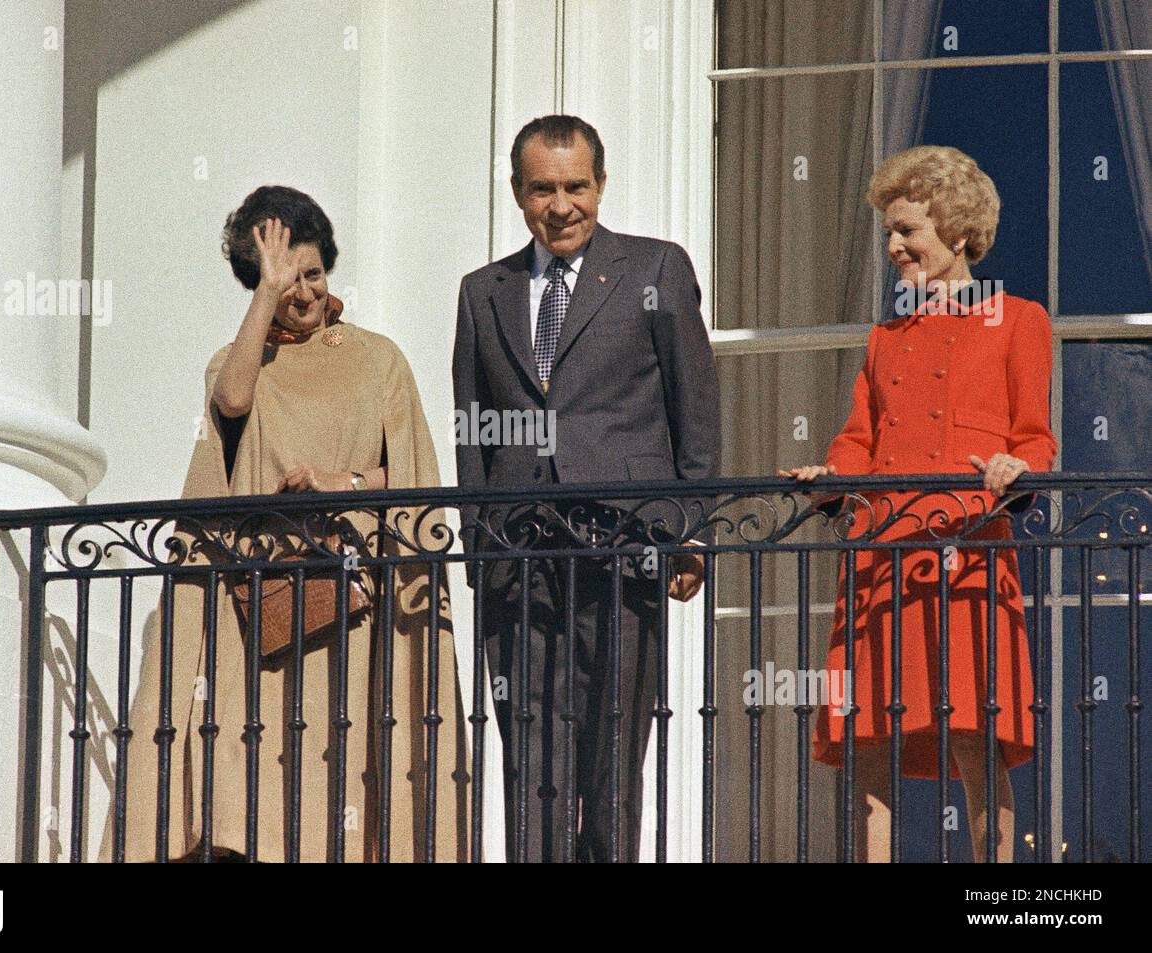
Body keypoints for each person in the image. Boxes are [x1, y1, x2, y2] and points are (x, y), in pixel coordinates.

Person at [103, 185, 467, 862]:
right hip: (266, 605)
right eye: (282, 279)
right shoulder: (239, 359)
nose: (302, 292)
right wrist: (264, 297)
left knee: (351, 768)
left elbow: (415, 476)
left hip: (362, 601)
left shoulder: (377, 357)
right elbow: (233, 399)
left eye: (312, 273)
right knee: (261, 784)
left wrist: (346, 481)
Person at [452, 115, 721, 862]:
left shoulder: (655, 269)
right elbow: (473, 431)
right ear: (518, 192)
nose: (562, 204)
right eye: (544, 189)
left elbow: (694, 408)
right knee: (529, 768)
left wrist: (691, 528)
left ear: (600, 186)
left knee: (611, 766)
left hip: (626, 548)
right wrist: (481, 551)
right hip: (519, 561)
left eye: (577, 186)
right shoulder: (483, 292)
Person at [779, 145, 1056, 862]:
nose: (896, 246)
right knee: (869, 733)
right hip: (878, 552)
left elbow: (1037, 440)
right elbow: (857, 440)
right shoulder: (883, 338)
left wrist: (1013, 465)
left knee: (973, 729)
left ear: (958, 232)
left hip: (966, 551)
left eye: (910, 231)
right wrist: (830, 474)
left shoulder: (1019, 319)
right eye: (891, 234)